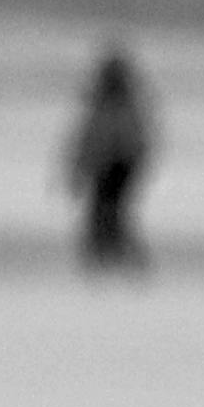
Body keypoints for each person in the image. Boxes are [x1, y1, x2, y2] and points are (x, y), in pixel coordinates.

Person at [63, 44, 158, 272]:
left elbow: (95, 138)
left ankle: (116, 262)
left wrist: (80, 167)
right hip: (111, 166)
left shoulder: (117, 105)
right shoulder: (111, 104)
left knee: (109, 214)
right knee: (105, 215)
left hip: (118, 166)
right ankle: (109, 262)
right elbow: (91, 139)